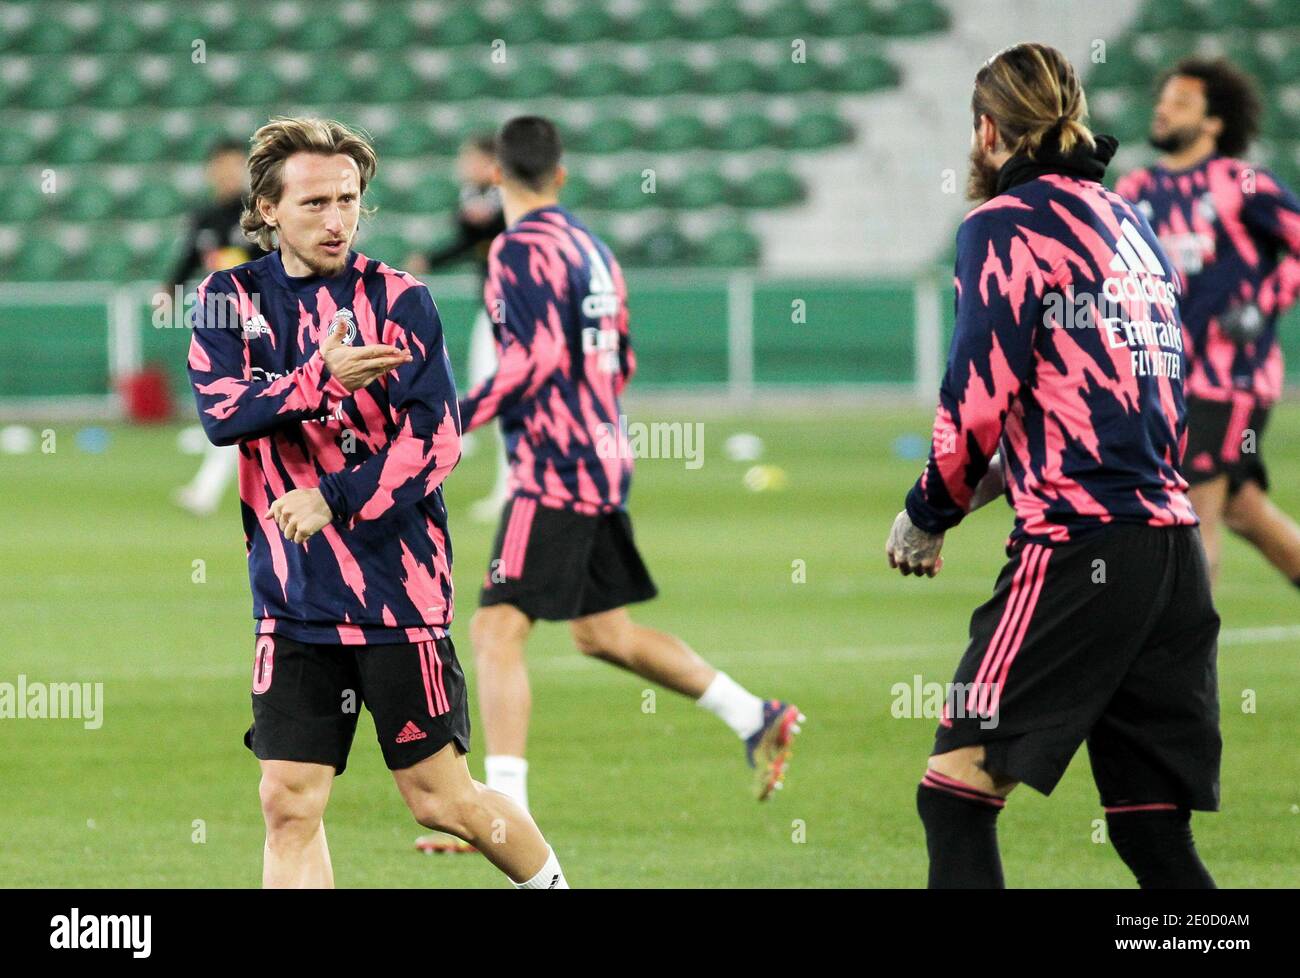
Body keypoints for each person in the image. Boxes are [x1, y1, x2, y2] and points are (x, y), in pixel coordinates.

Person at [186, 115, 567, 889]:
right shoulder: (227, 299)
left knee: (442, 801)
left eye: (348, 199)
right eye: (314, 203)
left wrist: (334, 497)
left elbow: (440, 443)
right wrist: (320, 380)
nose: (336, 219)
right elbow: (223, 413)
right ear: (265, 210)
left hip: (397, 592)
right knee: (289, 804)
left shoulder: (402, 300)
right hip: (290, 597)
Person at [416, 116, 801, 855]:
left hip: (555, 465)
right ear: (559, 175)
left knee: (495, 630)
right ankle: (754, 714)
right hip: (603, 450)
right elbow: (620, 355)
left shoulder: (514, 251)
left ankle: (504, 814)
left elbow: (535, 357)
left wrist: (460, 418)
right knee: (602, 633)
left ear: (498, 178)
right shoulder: (593, 250)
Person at [887, 44, 1219, 888]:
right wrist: (993, 481)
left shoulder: (1002, 226)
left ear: (988, 131)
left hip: (1080, 549)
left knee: (955, 791)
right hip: (1172, 550)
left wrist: (930, 511)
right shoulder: (1130, 223)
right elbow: (1129, 403)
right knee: (1151, 835)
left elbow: (977, 401)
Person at [1116, 58, 1300, 588]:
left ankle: (1186, 663)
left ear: (1214, 122)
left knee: (1193, 513)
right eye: (1163, 99)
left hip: (1228, 379)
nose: (1163, 109)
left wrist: (1263, 304)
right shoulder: (1134, 190)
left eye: (1180, 102)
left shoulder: (1240, 185)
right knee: (1243, 511)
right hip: (1165, 380)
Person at [407, 135, 511, 523]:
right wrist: (431, 258)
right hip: (493, 307)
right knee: (493, 391)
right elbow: (468, 239)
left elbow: (495, 228)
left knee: (499, 395)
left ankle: (509, 484)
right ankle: (508, 484)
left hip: (514, 310)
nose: (464, 166)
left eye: (471, 159)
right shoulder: (475, 197)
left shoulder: (509, 195)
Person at [170, 138, 270, 517]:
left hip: (260, 316)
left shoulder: (260, 211)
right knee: (225, 401)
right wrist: (169, 288)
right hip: (219, 316)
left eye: (234, 166)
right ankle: (208, 488)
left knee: (244, 402)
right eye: (222, 167)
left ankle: (209, 489)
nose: (228, 174)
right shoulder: (205, 217)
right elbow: (189, 257)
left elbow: (274, 260)